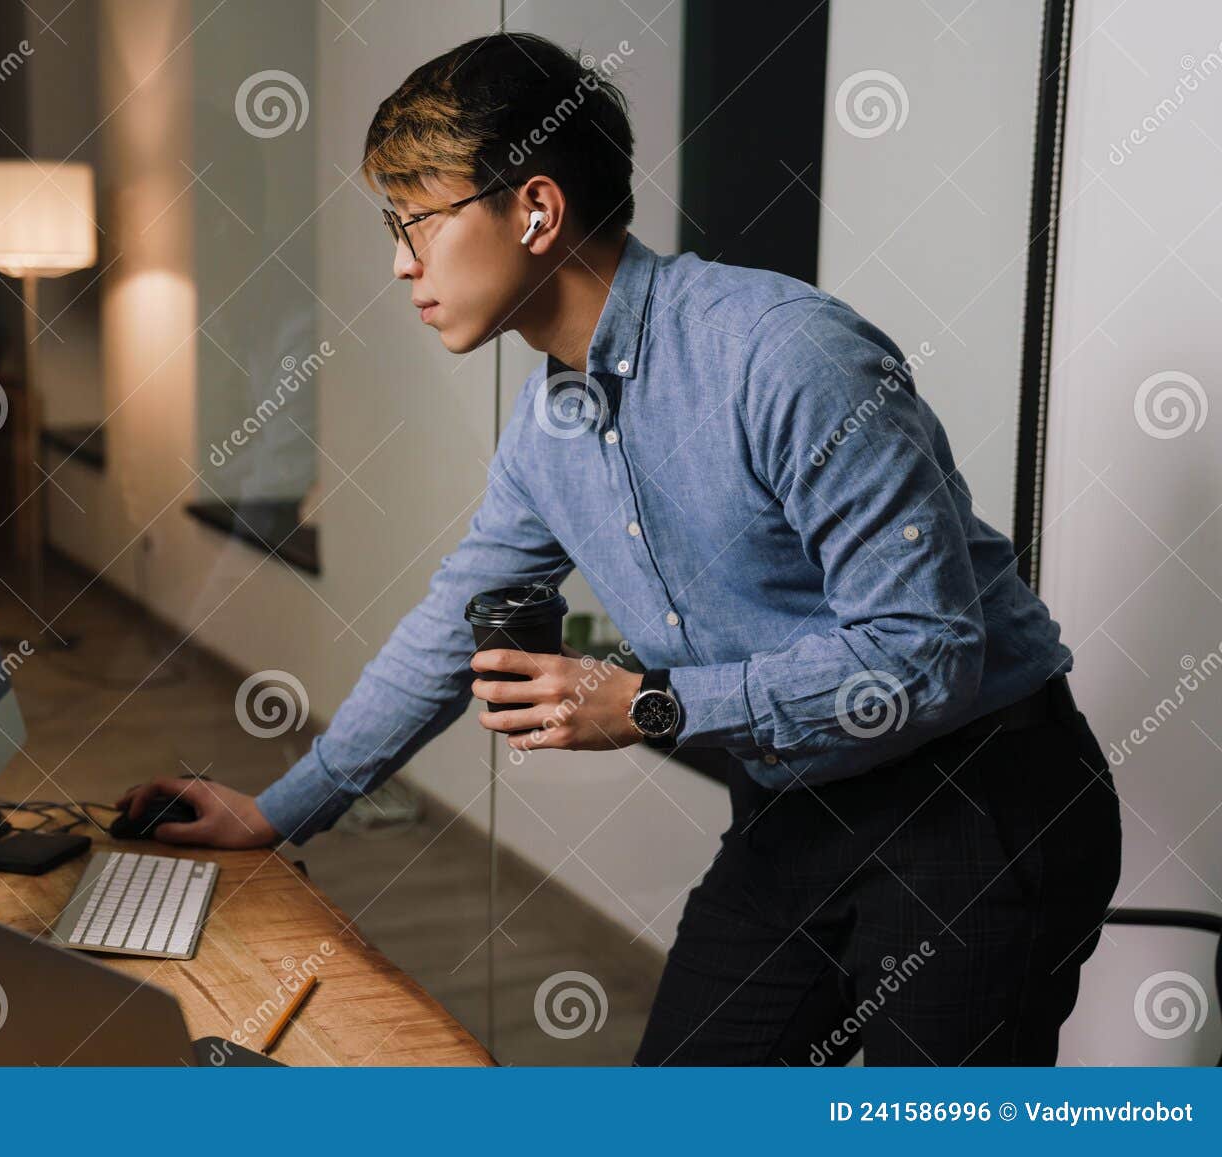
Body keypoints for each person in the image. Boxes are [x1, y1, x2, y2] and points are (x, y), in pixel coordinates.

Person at [119, 32, 1122, 1065]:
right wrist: (278, 812)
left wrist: (648, 700)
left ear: (537, 211)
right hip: (793, 807)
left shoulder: (785, 355)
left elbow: (924, 653)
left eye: (416, 219)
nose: (398, 260)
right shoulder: (548, 425)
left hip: (977, 802)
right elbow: (447, 627)